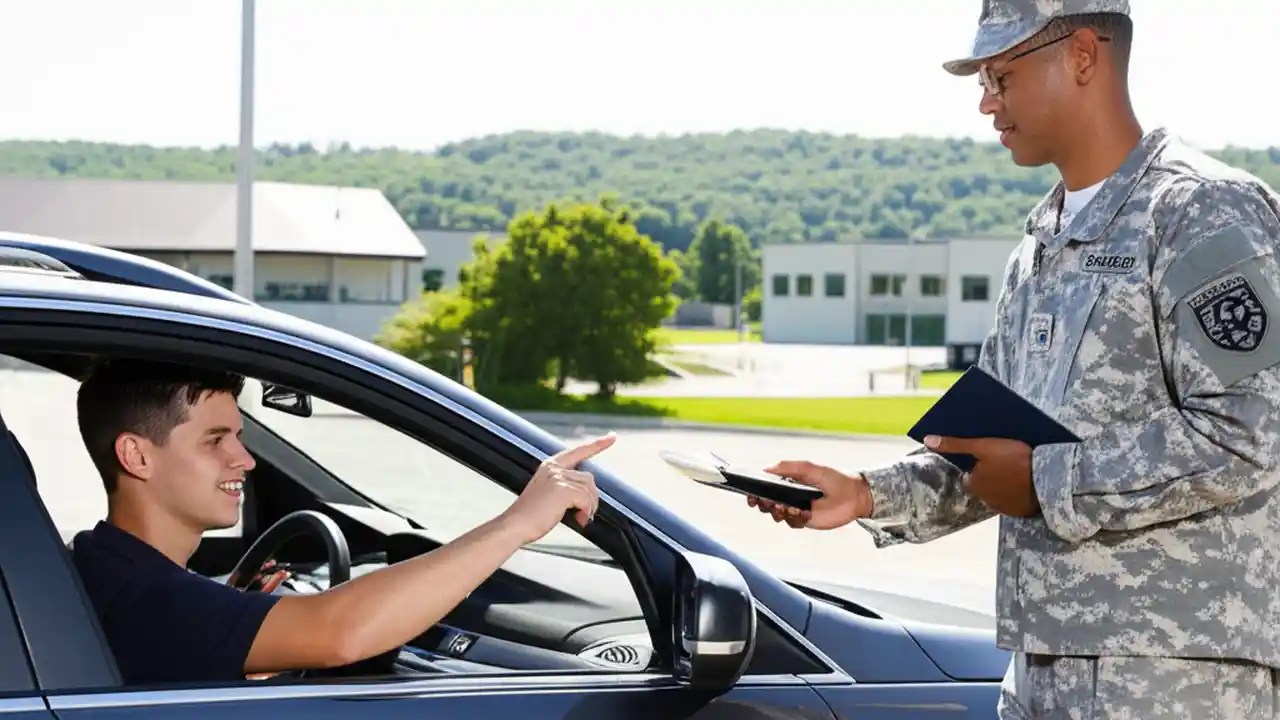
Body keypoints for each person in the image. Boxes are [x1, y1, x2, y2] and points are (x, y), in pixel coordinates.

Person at [751, 1, 1280, 716]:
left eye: (1002, 75)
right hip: (1037, 668)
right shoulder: (1040, 246)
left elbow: (1250, 432)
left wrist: (1043, 477)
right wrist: (863, 494)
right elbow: (996, 454)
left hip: (1173, 675)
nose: (985, 102)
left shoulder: (1202, 212)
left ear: (1084, 55)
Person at [70, 357, 615, 686]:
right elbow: (341, 634)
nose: (245, 459)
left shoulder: (103, 568)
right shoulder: (150, 600)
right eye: (215, 440)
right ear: (137, 456)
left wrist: (233, 620)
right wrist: (518, 522)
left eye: (238, 436)